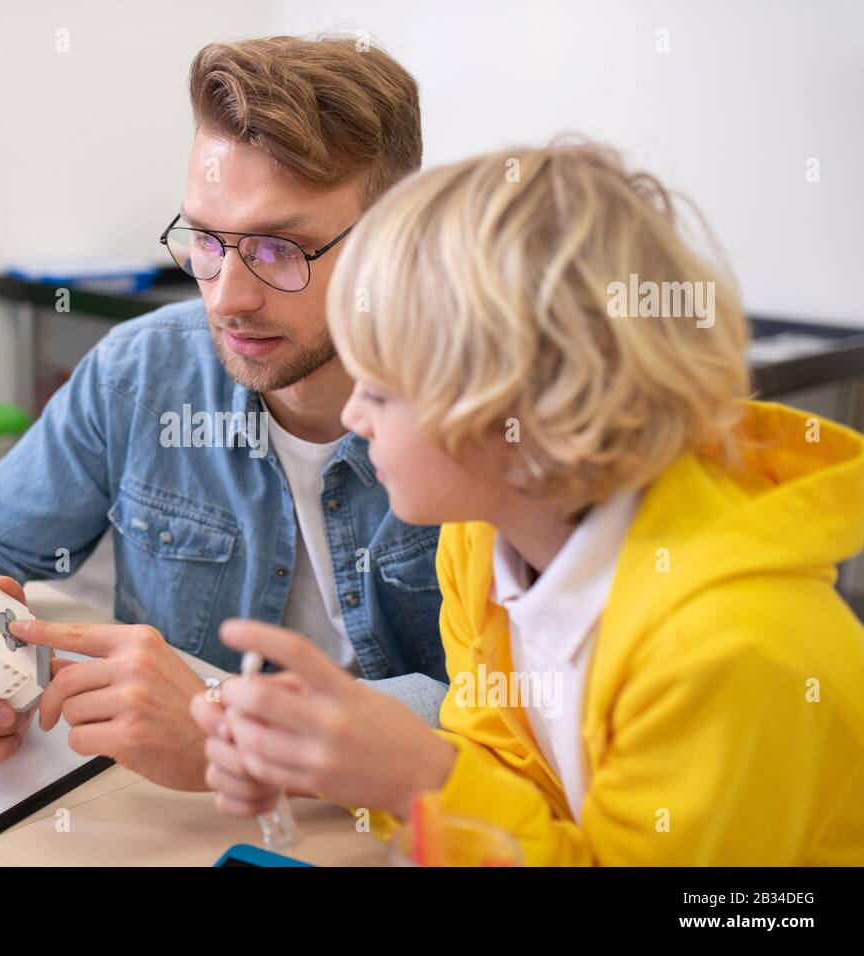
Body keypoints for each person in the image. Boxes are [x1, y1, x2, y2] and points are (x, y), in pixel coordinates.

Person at [192, 140, 864, 864]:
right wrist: (356, 763)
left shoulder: (726, 652)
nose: (355, 418)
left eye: (382, 392)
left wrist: (417, 778)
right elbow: (515, 784)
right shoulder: (481, 543)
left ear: (521, 414)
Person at [0, 35, 448, 792]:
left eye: (280, 247)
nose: (226, 296)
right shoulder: (141, 373)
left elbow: (533, 715)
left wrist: (231, 725)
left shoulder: (484, 412)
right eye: (205, 240)